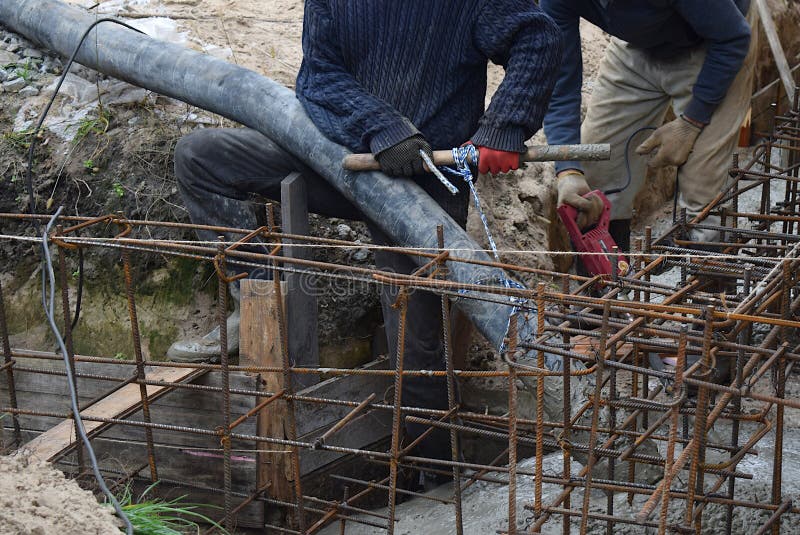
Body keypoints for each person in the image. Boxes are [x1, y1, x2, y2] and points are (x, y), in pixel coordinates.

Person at [168, 0, 562, 473]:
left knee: (417, 346)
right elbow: (320, 77)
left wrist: (504, 125)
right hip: (339, 155)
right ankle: (253, 293)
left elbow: (537, 39)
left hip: (424, 182)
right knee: (201, 157)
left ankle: (435, 475)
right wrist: (383, 127)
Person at [541, 0, 758, 253]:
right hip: (637, 45)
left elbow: (733, 38)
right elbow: (559, 82)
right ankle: (607, 273)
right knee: (596, 173)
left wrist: (691, 123)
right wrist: (568, 170)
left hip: (715, 43)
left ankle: (708, 268)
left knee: (704, 196)